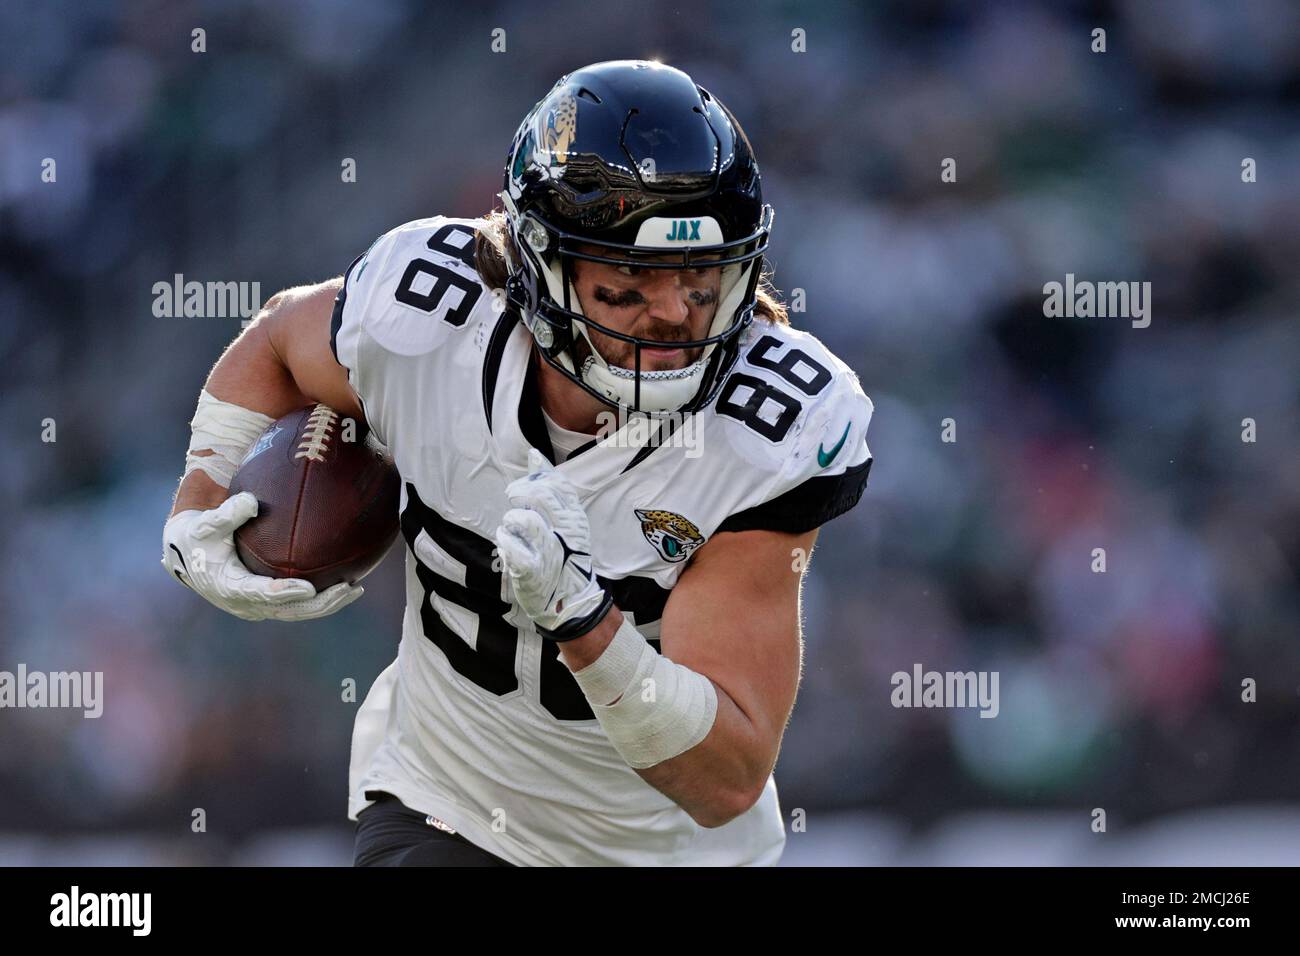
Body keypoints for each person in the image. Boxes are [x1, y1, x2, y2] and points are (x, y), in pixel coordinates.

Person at [162, 59, 874, 866]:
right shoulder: (426, 320)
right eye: (632, 284)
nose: (675, 313)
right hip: (447, 805)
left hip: (667, 855)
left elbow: (727, 779)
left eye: (702, 279)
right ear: (540, 266)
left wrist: (585, 622)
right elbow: (279, 339)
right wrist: (199, 496)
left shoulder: (764, 431)